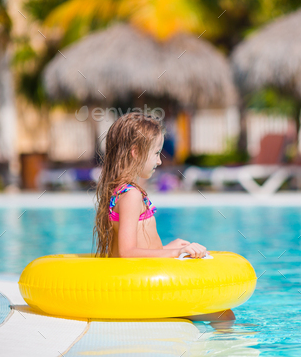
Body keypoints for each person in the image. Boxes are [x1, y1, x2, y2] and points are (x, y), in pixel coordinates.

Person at [94, 112, 235, 325]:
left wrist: (169, 247)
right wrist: (175, 252)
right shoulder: (130, 195)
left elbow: (137, 248)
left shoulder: (121, 191)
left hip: (143, 282)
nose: (160, 161)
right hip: (144, 290)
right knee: (224, 314)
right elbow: (126, 253)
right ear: (135, 152)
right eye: (156, 153)